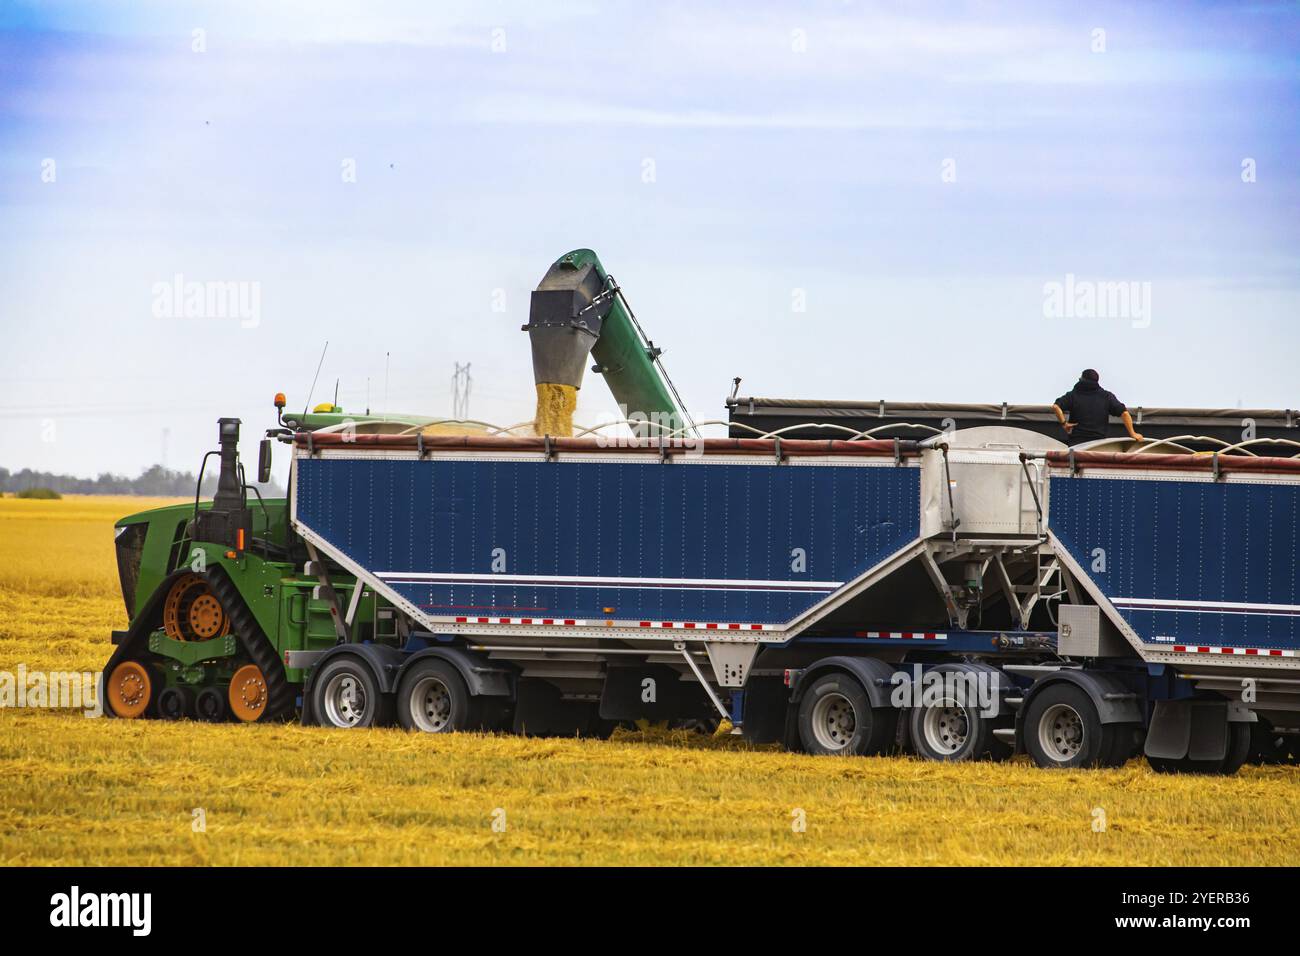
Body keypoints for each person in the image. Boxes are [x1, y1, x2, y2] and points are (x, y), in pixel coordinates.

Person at [1051, 369, 1144, 446]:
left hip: (1077, 443)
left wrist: (1064, 424)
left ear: (1082, 380)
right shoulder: (1106, 396)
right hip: (1098, 444)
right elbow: (1124, 413)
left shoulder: (1073, 395)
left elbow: (1056, 407)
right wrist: (1132, 433)